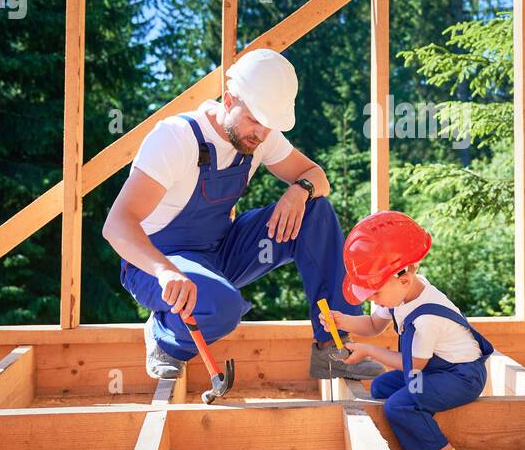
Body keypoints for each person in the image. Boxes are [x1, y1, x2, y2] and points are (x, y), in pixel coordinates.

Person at [102, 48, 385, 382]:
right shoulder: (176, 138)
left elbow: (316, 175)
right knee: (224, 307)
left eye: (269, 125)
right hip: (158, 262)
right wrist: (165, 272)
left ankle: (333, 347)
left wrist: (300, 190)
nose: (262, 134)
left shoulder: (260, 135)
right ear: (228, 100)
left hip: (220, 252)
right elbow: (117, 224)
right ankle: (164, 337)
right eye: (254, 120)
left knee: (315, 211)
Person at [328, 211, 493, 450]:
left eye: (374, 293)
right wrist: (343, 320)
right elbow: (371, 325)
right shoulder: (397, 292)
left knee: (399, 405)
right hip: (433, 370)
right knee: (381, 386)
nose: (372, 299)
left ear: (403, 278)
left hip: (461, 377)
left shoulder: (426, 318)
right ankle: (417, 424)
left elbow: (411, 365)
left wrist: (369, 351)